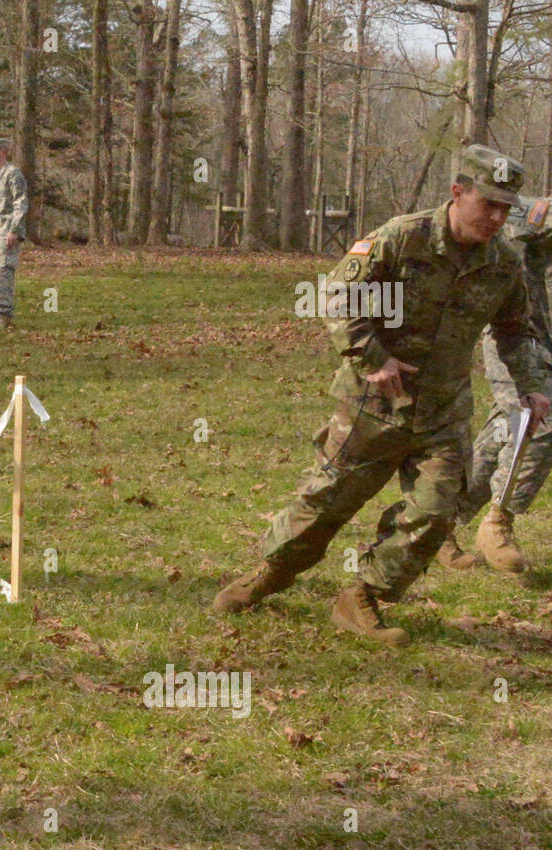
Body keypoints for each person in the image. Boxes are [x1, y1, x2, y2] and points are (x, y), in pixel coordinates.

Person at [213, 145, 550, 646]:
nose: (498, 218)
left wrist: (533, 386)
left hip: (443, 411)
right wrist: (373, 358)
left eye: (507, 208)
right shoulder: (402, 238)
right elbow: (336, 293)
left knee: (435, 513)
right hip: (374, 408)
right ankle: (273, 571)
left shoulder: (503, 263)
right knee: (326, 503)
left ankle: (363, 596)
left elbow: (514, 331)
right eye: (489, 204)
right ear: (458, 192)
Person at [439, 194, 552, 572]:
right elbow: (507, 232)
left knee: (504, 430)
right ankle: (499, 521)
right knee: (538, 422)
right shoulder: (535, 214)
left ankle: (441, 523)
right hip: (518, 334)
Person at [0, 137, 28, 329]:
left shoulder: (13, 174)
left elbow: (20, 202)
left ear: (4, 152)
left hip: (8, 231)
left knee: (3, 271)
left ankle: (4, 314)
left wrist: (14, 230)